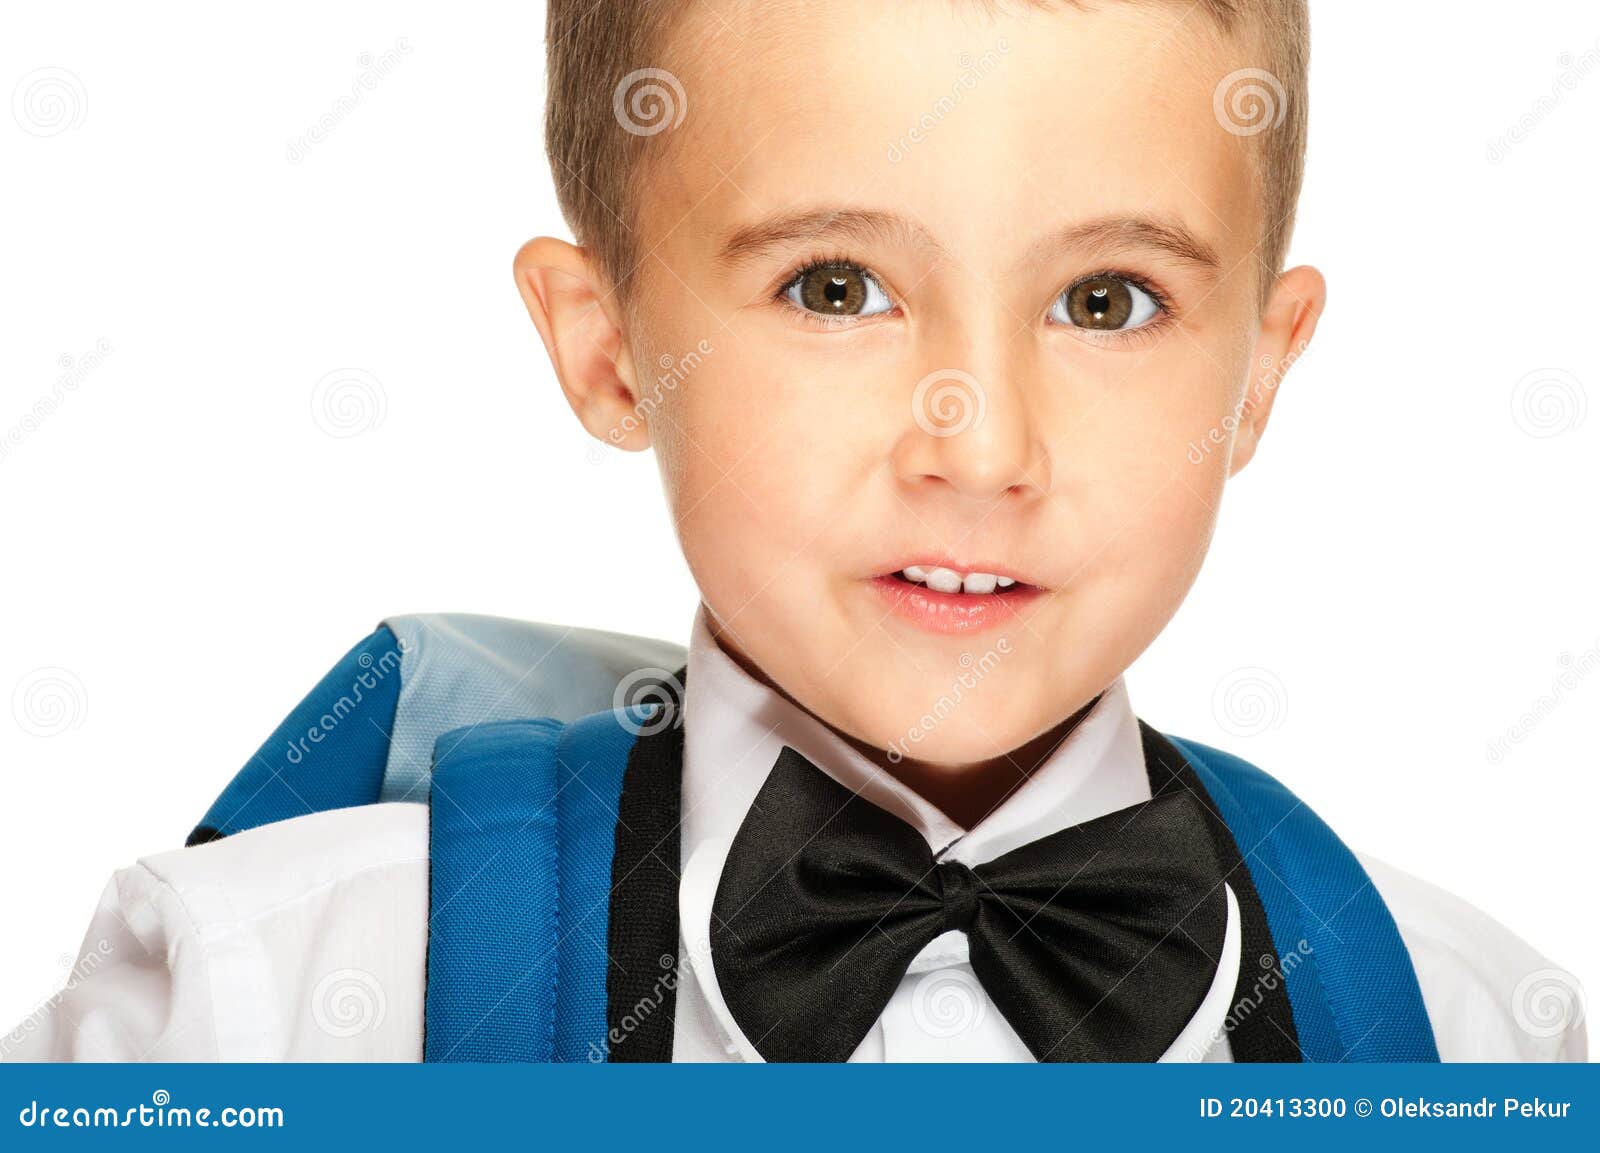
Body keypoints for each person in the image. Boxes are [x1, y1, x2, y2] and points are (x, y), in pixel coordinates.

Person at [5, 0, 1586, 1063]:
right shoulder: (255, 1001)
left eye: (1107, 301)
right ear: (606, 345)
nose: (983, 446)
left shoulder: (1468, 1033)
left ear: (1260, 373)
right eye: (838, 288)